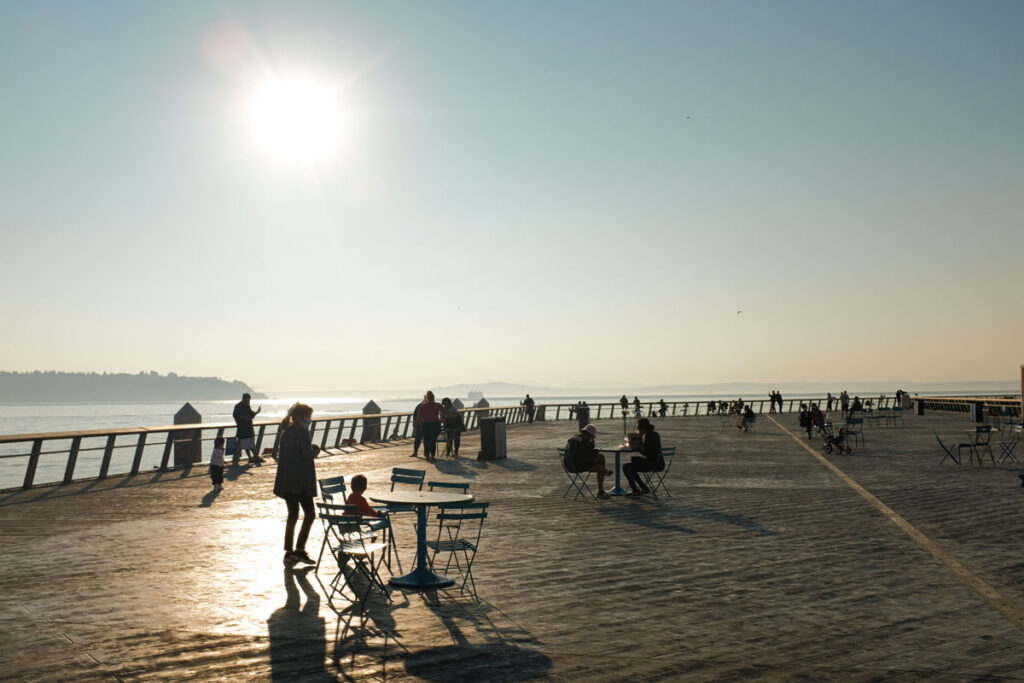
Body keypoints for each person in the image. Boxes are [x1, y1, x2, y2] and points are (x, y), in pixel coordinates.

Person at [273, 403, 320, 565]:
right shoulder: (302, 432)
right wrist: (315, 450)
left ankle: (289, 551)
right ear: (302, 417)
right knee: (310, 514)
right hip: (300, 482)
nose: (310, 420)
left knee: (293, 514)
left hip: (286, 482)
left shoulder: (286, 432)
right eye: (309, 417)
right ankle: (300, 549)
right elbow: (306, 455)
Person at [565, 424, 612, 499]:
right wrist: (592, 444)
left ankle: (604, 471)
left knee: (600, 457)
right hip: (578, 466)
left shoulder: (573, 438)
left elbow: (584, 454)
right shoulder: (584, 441)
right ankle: (601, 491)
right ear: (590, 435)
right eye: (593, 436)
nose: (592, 438)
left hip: (569, 465)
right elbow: (590, 454)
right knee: (600, 462)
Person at [623, 418, 663, 496]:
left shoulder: (648, 436)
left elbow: (648, 453)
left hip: (653, 464)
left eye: (639, 429)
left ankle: (636, 489)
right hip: (659, 462)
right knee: (632, 464)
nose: (638, 430)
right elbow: (650, 450)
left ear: (643, 428)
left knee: (626, 467)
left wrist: (639, 449)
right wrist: (641, 447)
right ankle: (643, 487)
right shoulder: (655, 434)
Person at [232, 393, 262, 466]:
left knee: (250, 443)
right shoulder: (238, 406)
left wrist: (257, 412)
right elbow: (235, 415)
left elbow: (251, 415)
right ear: (244, 398)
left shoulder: (247, 406)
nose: (248, 401)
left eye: (249, 400)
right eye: (247, 400)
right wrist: (242, 417)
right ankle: (254, 457)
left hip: (249, 427)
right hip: (242, 428)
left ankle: (252, 457)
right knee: (246, 444)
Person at [417, 390, 444, 462]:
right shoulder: (438, 405)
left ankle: (427, 455)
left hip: (425, 425)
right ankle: (432, 455)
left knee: (426, 440)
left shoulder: (422, 406)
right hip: (435, 424)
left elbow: (419, 417)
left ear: (426, 398)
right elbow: (443, 412)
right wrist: (441, 420)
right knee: (433, 440)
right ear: (433, 397)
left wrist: (420, 426)